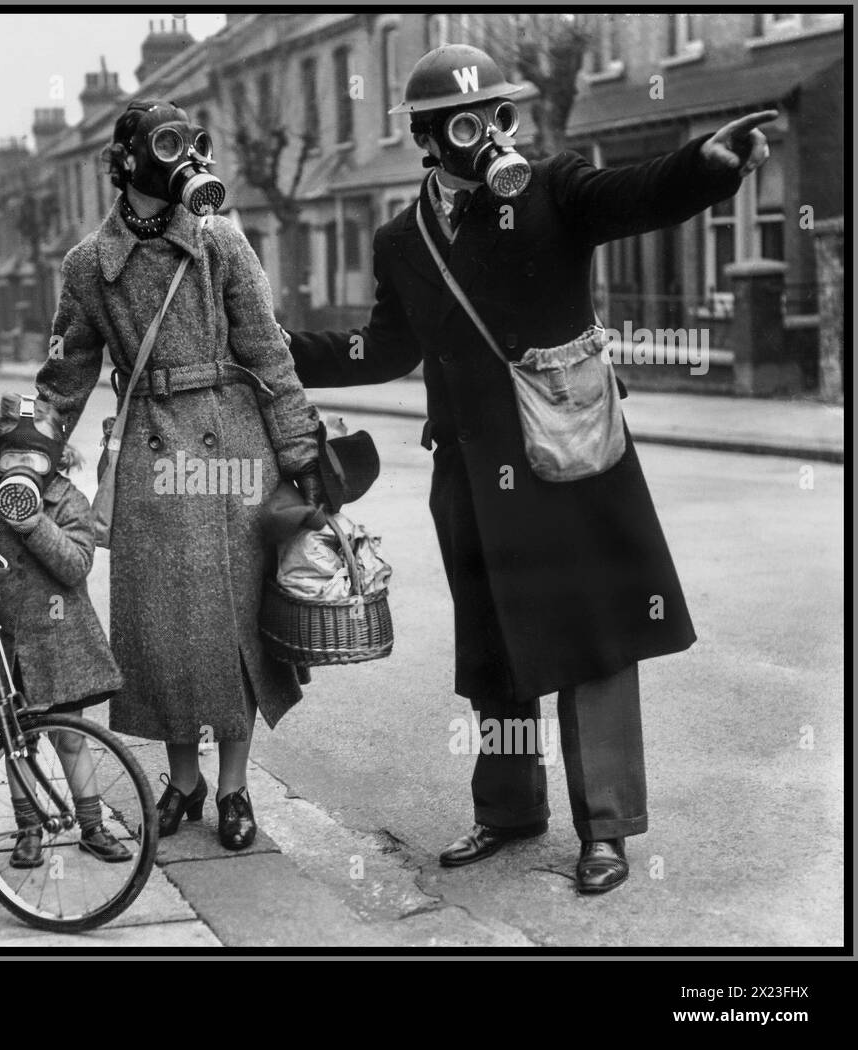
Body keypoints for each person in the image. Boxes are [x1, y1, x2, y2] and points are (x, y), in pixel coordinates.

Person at [284, 44, 774, 894]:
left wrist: (707, 167)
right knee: (496, 649)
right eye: (470, 124)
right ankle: (509, 811)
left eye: (501, 117)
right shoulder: (402, 239)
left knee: (595, 640)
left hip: (570, 458)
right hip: (470, 475)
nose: (493, 140)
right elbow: (385, 347)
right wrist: (275, 350)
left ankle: (608, 828)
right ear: (429, 141)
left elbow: (638, 192)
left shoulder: (556, 188)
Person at [36, 98, 325, 850]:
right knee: (161, 631)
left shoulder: (223, 242)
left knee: (232, 626)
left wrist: (300, 453)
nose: (184, 157)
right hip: (149, 452)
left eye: (191, 140)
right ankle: (183, 780)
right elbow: (63, 378)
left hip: (231, 444)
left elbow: (268, 351)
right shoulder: (87, 267)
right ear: (127, 160)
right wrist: (25, 458)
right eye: (166, 144)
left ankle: (233, 788)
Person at [0, 391, 130, 867]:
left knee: (71, 737)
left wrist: (33, 524)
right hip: (6, 647)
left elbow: (75, 565)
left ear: (55, 459)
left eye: (33, 457)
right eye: (11, 457)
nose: (21, 466)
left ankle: (92, 825)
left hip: (61, 647)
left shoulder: (69, 501)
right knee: (17, 741)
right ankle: (30, 827)